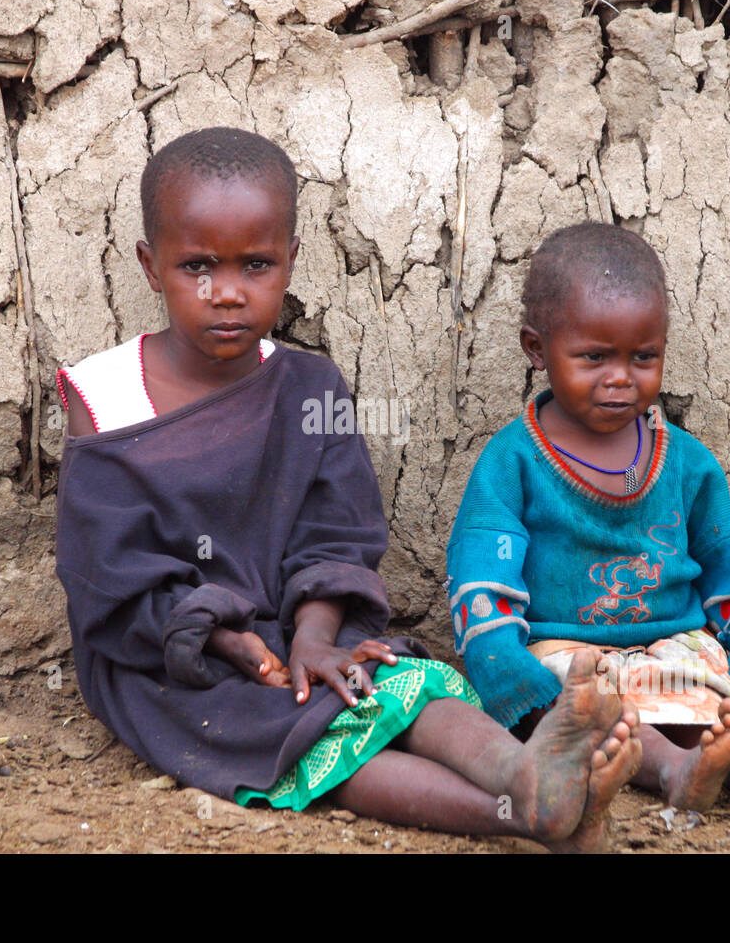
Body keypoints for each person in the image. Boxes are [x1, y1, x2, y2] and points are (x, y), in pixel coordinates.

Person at [53, 127, 642, 851]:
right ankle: (530, 813)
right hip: (172, 658)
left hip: (307, 627)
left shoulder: (309, 388)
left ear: (292, 262)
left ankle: (527, 773)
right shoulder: (105, 399)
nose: (229, 293)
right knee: (311, 738)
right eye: (198, 266)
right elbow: (108, 576)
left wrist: (315, 636)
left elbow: (336, 538)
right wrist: (233, 642)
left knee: (399, 686)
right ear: (152, 266)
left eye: (258, 265)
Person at [446, 222, 730, 813]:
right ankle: (680, 768)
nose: (620, 379)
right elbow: (481, 584)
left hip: (670, 648)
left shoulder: (685, 463)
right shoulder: (514, 462)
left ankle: (728, 747)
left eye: (643, 357)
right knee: (573, 709)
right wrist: (505, 669)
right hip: (563, 654)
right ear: (537, 349)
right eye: (594, 357)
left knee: (701, 692)